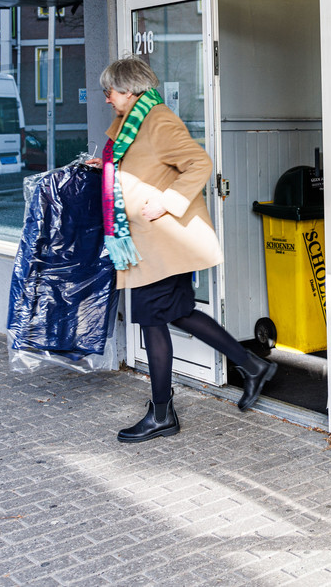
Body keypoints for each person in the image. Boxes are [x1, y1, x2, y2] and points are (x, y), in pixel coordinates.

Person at [95, 56, 276, 443]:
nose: (106, 99)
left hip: (161, 244)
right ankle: (251, 366)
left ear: (128, 90)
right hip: (151, 245)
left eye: (109, 91)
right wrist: (109, 170)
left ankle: (162, 414)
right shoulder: (131, 122)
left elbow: (199, 163)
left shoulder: (157, 120)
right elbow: (145, 167)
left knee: (152, 320)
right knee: (178, 312)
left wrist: (167, 202)